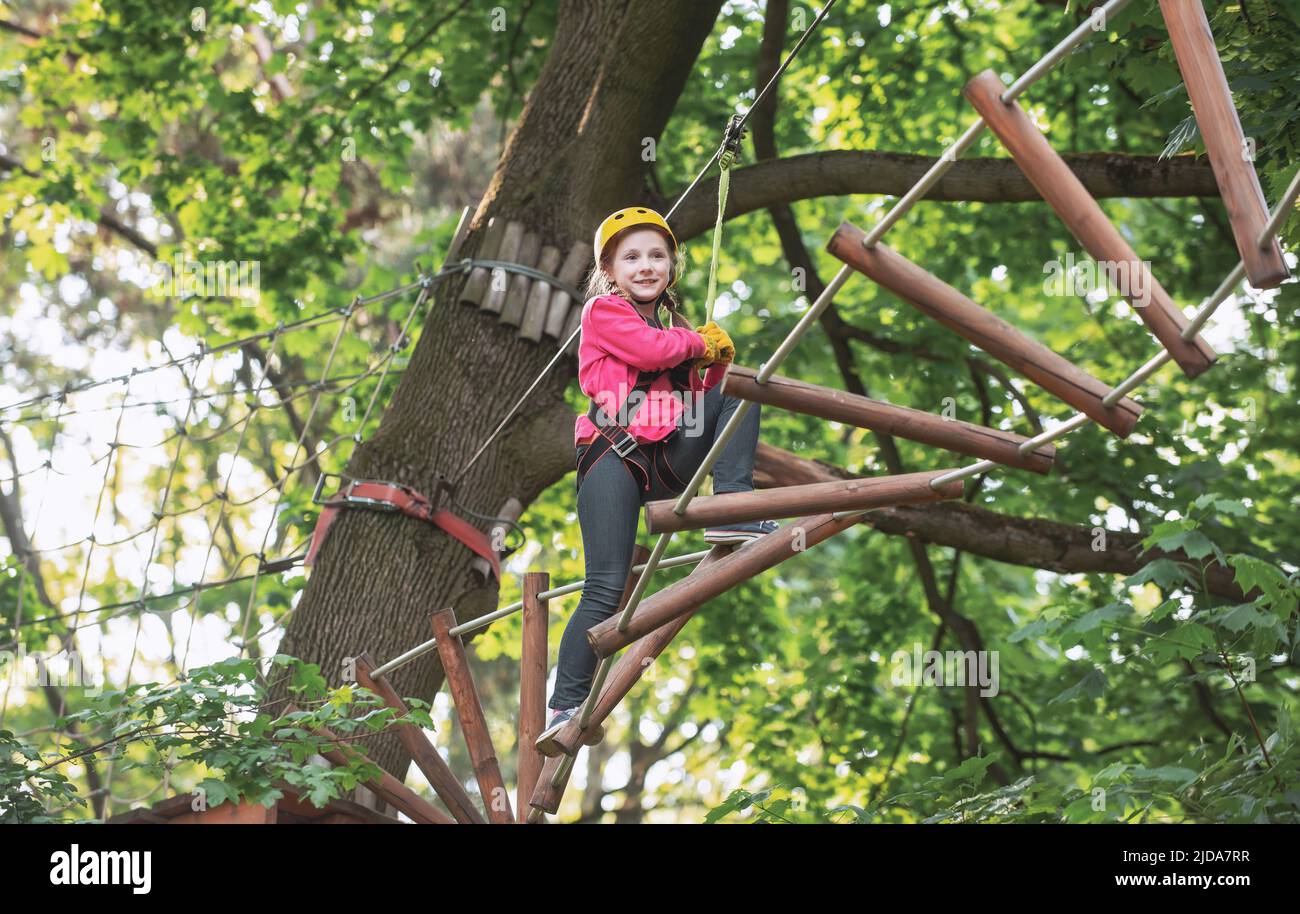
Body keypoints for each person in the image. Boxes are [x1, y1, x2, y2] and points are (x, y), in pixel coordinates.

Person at [538, 206, 777, 752]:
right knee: (604, 589)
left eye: (656, 256)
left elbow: (699, 394)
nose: (645, 266)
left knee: (738, 388)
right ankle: (565, 703)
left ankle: (732, 506)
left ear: (671, 265)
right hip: (614, 457)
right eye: (632, 257)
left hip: (668, 451)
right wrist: (699, 345)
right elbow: (651, 352)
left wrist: (715, 362)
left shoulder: (674, 330)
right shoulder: (603, 311)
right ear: (610, 270)